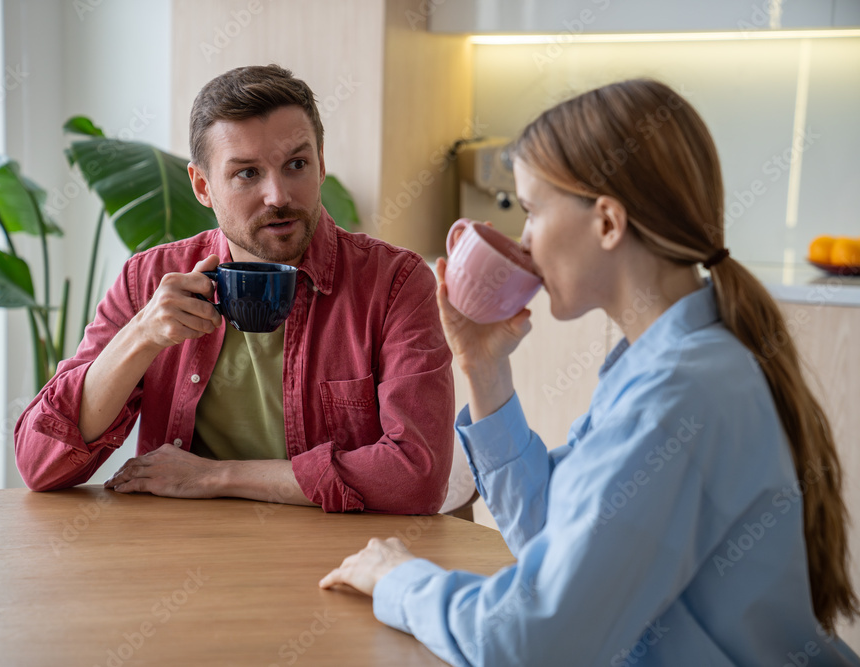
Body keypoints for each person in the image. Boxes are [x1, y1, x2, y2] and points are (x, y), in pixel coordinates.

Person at [320, 79, 860, 664]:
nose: (524, 242)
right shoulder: (664, 365)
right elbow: (557, 534)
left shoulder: (676, 395)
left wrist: (400, 581)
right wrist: (485, 368)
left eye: (531, 211)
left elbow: (532, 642)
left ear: (607, 223)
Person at [13, 64, 454, 514]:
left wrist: (215, 476)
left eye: (296, 165)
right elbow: (39, 462)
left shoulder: (394, 284)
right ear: (202, 186)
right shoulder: (149, 279)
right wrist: (142, 335)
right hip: (181, 549)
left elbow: (416, 478)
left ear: (321, 164)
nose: (278, 195)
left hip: (333, 552)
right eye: (247, 173)